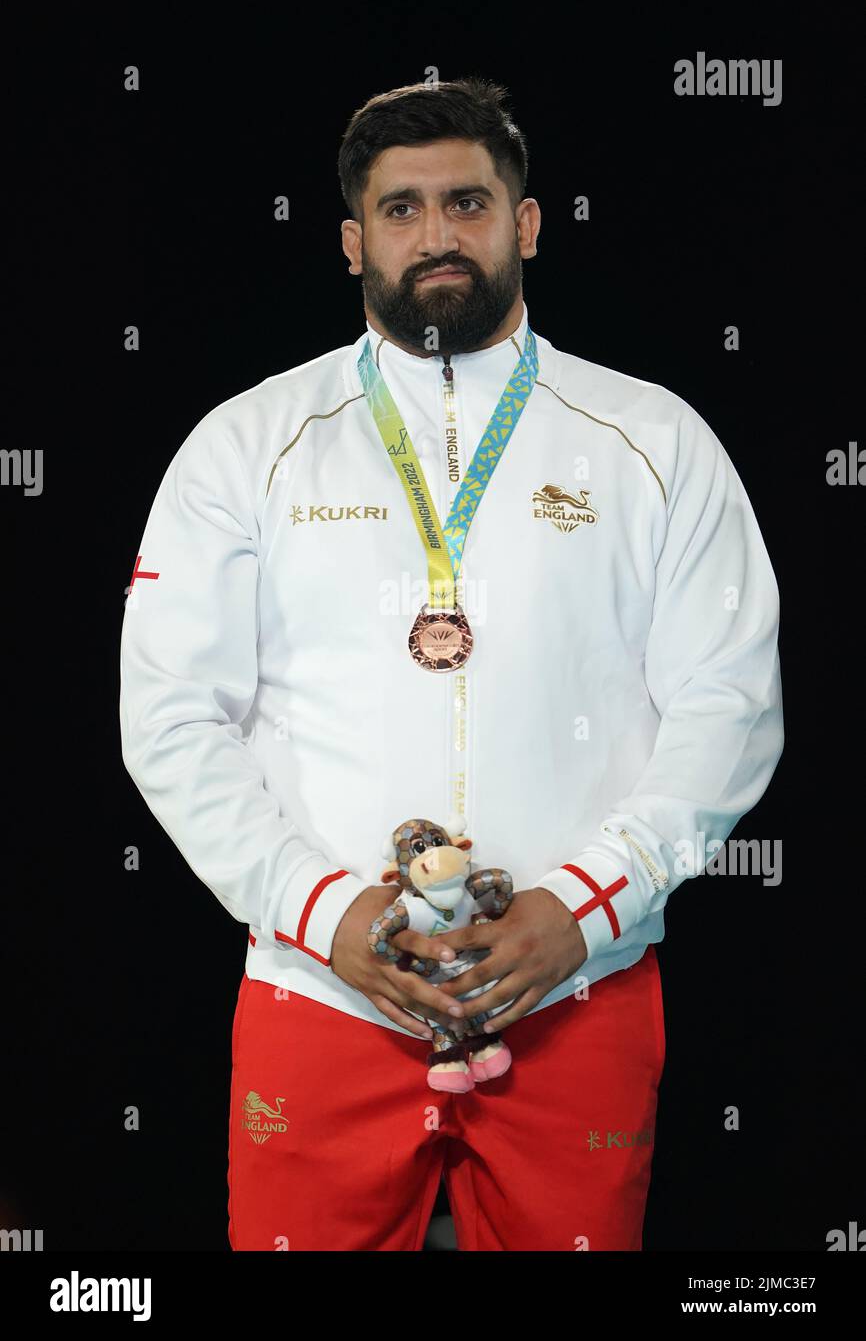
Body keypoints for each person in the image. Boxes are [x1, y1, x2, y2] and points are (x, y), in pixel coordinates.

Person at [119, 77, 784, 1251]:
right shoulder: (243, 446)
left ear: (524, 224)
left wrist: (583, 909)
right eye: (400, 209)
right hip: (320, 993)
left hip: (577, 991)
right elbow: (170, 721)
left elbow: (729, 711)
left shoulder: (656, 441)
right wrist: (326, 915)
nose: (436, 235)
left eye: (468, 202)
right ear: (349, 240)